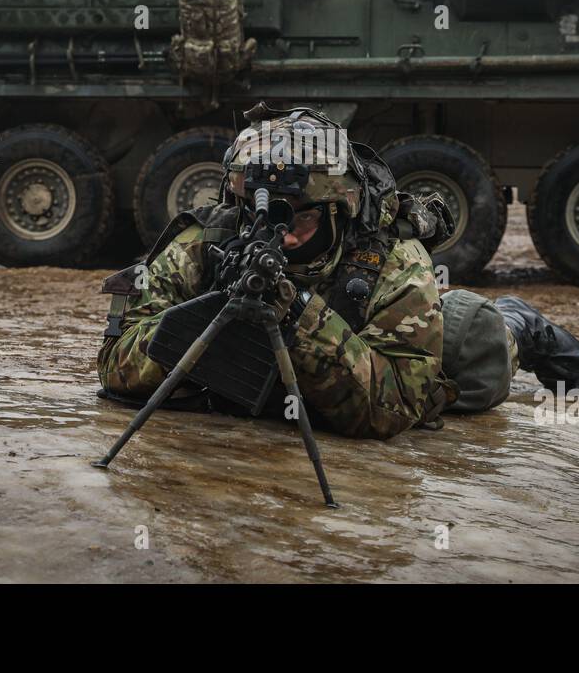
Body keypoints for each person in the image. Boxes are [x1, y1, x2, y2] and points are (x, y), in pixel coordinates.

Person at [97, 103, 456, 439]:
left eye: (303, 217)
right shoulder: (204, 244)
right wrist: (206, 317)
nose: (283, 234)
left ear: (339, 210)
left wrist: (300, 317)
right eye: (262, 212)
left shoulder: (396, 264)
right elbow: (115, 365)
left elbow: (396, 408)